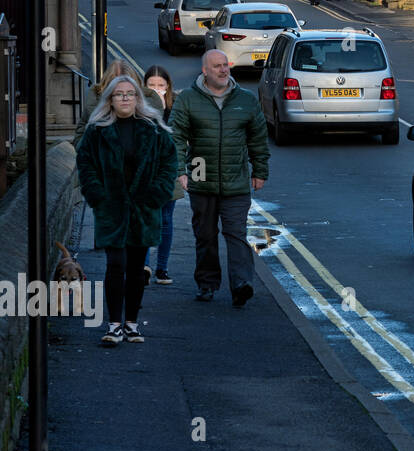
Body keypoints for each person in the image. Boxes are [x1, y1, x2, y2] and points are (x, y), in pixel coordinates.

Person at [76, 75, 177, 345]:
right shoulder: (97, 130)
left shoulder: (153, 128)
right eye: (119, 94)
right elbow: (85, 164)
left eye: (129, 94)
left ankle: (131, 323)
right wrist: (97, 195)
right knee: (115, 264)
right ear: (110, 99)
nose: (124, 98)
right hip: (112, 208)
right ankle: (113, 325)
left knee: (135, 268)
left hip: (143, 208)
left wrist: (157, 194)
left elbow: (170, 162)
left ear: (137, 98)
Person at [170, 50, 270, 306]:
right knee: (205, 234)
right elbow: (177, 137)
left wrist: (260, 170)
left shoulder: (245, 100)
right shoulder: (188, 99)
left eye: (226, 65)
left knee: (236, 233)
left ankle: (241, 284)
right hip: (202, 177)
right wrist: (180, 171)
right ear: (205, 70)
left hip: (236, 181)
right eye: (217, 66)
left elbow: (258, 138)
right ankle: (207, 284)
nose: (224, 70)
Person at [142, 66, 183, 285]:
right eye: (152, 85)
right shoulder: (139, 107)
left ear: (168, 87)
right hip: (146, 175)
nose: (157, 90)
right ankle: (145, 267)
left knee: (166, 221)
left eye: (161, 85)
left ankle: (162, 269)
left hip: (169, 173)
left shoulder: (175, 107)